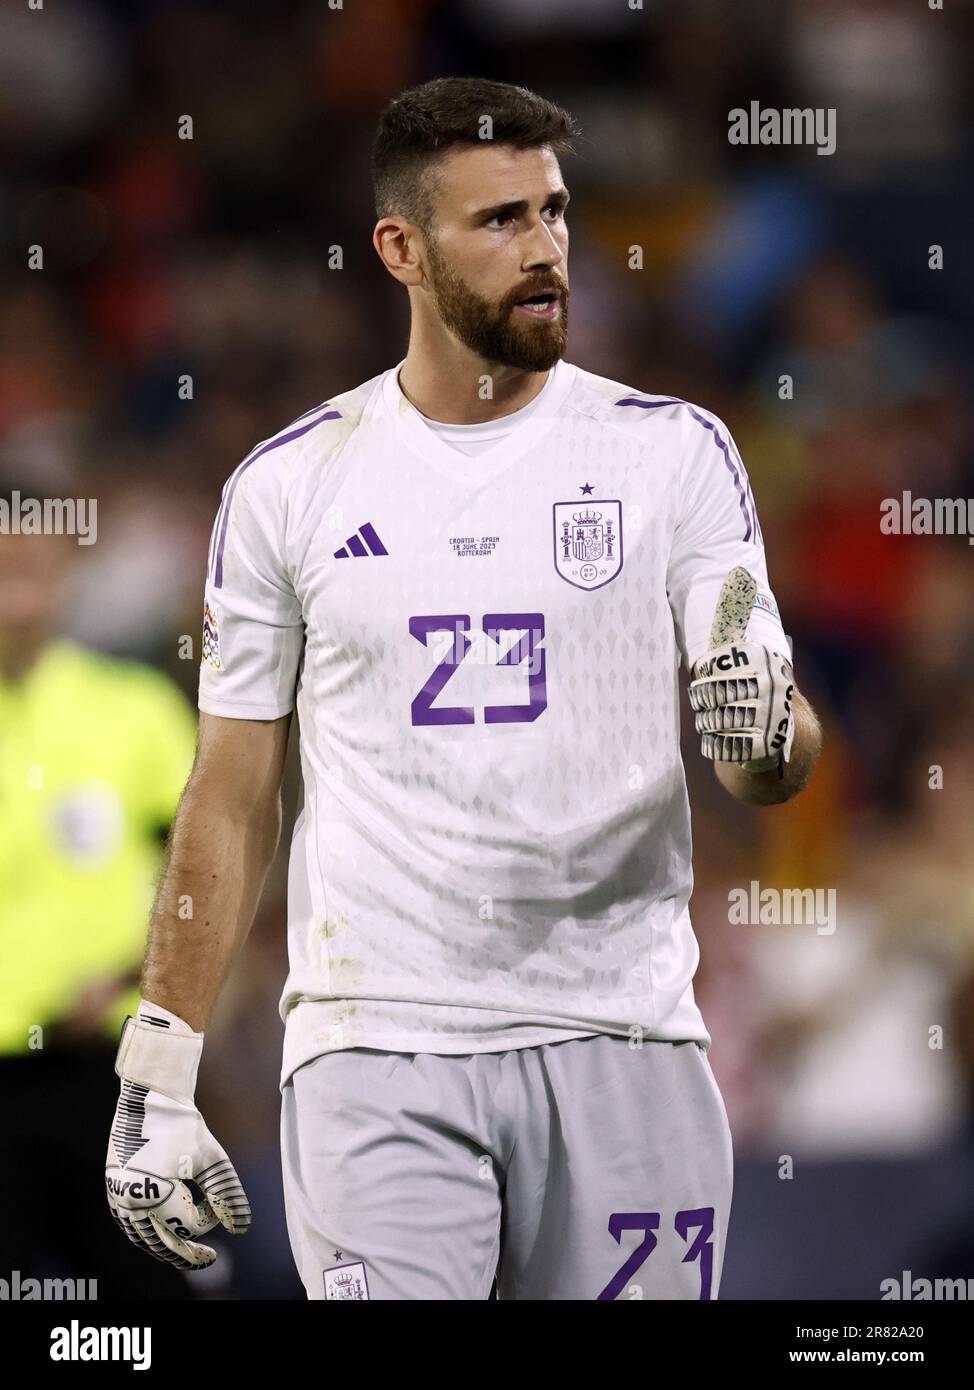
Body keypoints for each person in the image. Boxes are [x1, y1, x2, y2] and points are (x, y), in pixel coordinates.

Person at [105, 78, 822, 1301]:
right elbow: (227, 797)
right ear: (399, 248)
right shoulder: (291, 489)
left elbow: (763, 732)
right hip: (378, 1047)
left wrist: (764, 734)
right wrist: (156, 1066)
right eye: (498, 221)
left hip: (621, 1035)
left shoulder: (670, 454)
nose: (544, 250)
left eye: (552, 213)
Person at [0, 494, 197, 1298]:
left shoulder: (135, 712)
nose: (15, 592)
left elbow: (211, 879)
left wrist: (140, 982)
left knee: (138, 1302)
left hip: (112, 1074)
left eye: (30, 569)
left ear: (65, 573)